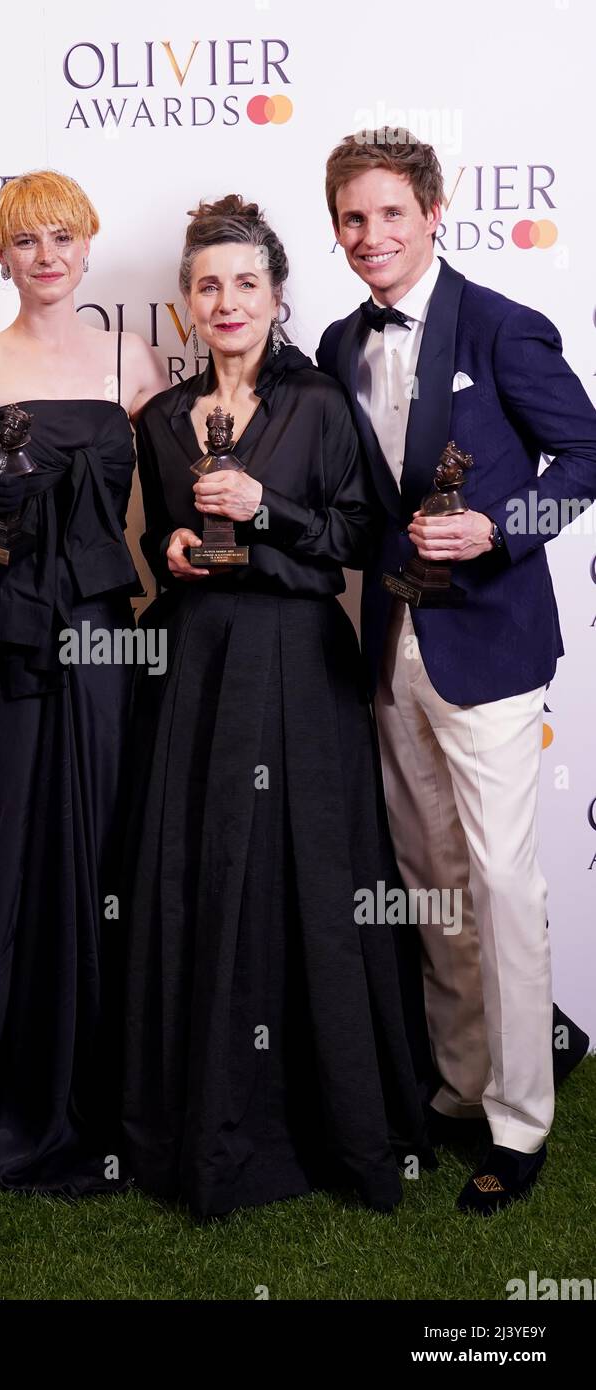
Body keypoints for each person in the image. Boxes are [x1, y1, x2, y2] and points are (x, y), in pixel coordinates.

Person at [121, 194, 433, 1219]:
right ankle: (200, 1115)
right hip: (199, 663)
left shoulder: (319, 404)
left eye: (244, 282)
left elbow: (352, 540)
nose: (225, 300)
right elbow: (166, 543)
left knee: (309, 878)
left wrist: (267, 510)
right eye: (206, 284)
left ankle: (331, 1118)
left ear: (277, 296)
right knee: (202, 875)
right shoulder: (163, 420)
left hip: (299, 663)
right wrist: (169, 551)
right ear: (185, 301)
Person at [318, 130, 595, 1214]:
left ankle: (520, 1119)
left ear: (433, 212)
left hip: (487, 648)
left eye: (389, 213)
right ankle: (461, 1081)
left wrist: (495, 526)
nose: (370, 235)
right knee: (433, 888)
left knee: (499, 887)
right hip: (390, 647)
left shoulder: (498, 323)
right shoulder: (341, 341)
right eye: (351, 218)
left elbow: (583, 456)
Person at [0, 169, 166, 1196]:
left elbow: (158, 517)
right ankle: (1, 1078)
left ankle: (108, 1079)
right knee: (5, 844)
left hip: (105, 636)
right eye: (24, 240)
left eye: (61, 236)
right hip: (0, 639)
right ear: (0, 253)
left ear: (86, 244)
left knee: (105, 840)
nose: (45, 256)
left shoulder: (134, 359)